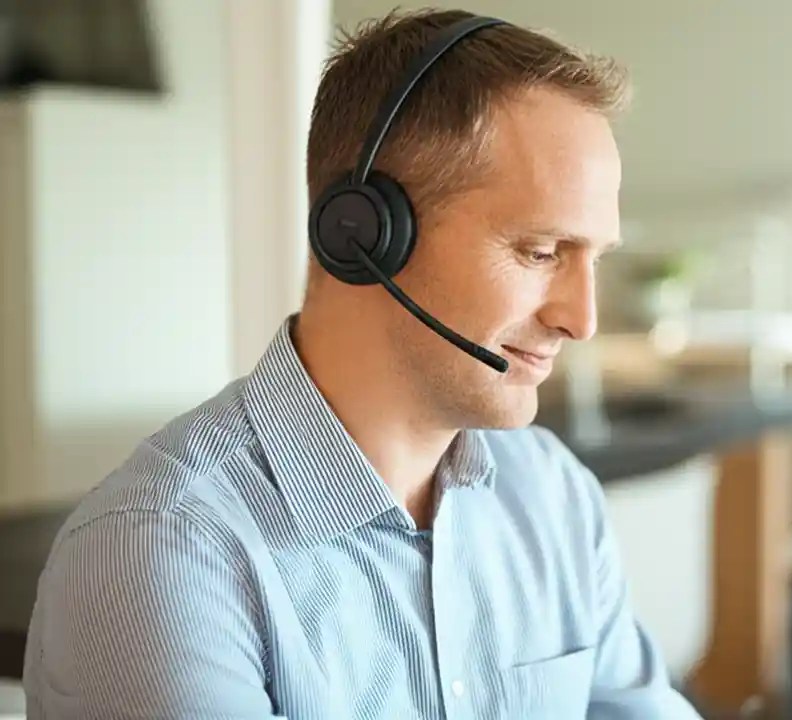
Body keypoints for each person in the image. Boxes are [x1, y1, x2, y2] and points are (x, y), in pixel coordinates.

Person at [23, 8, 703, 719]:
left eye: (595, 259)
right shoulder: (160, 556)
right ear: (364, 234)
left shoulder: (553, 498)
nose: (582, 319)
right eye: (540, 253)